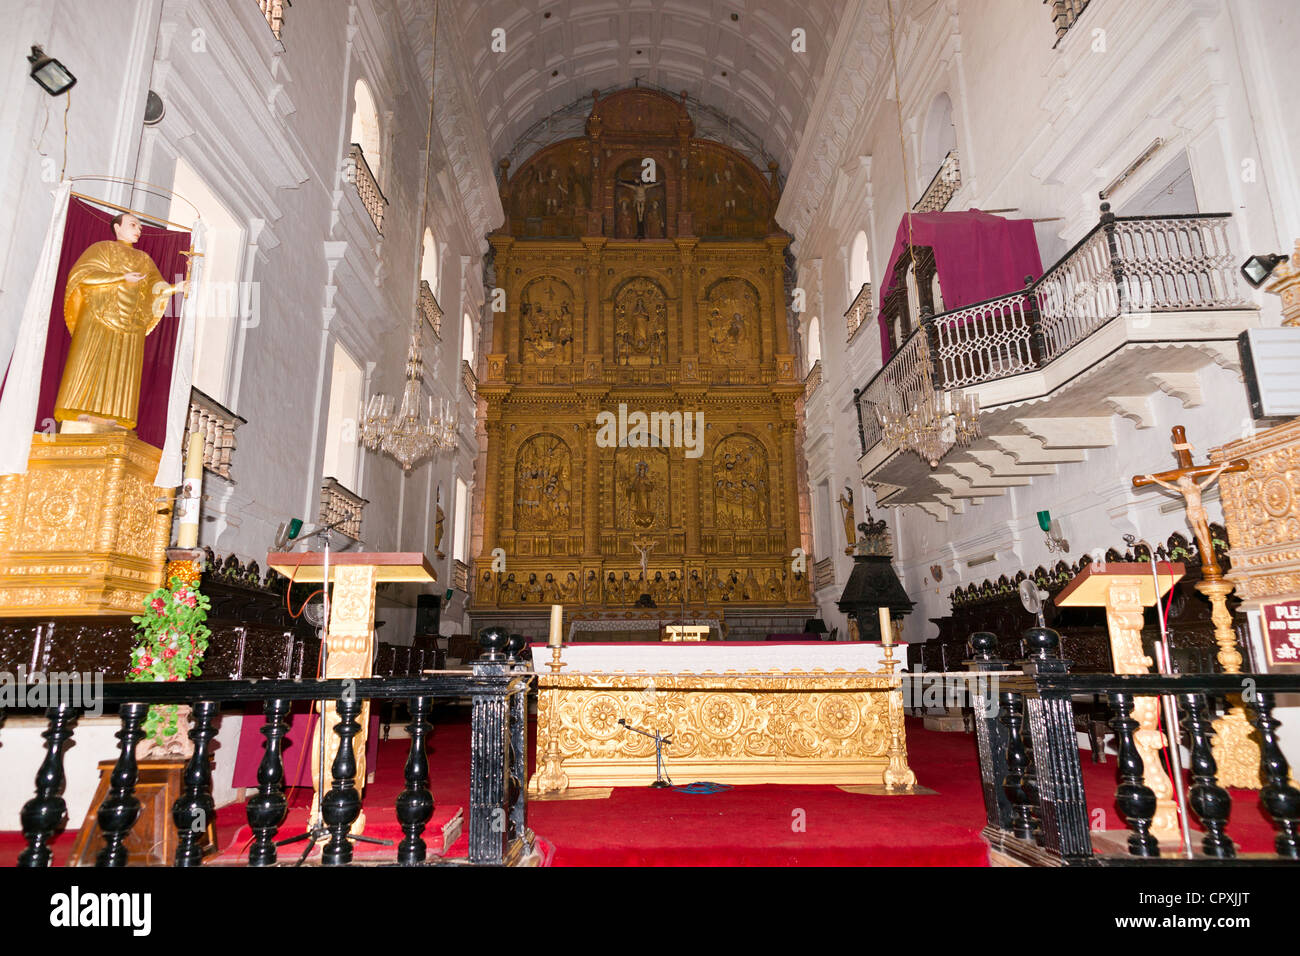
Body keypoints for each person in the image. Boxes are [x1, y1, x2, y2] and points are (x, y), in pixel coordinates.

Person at [56, 212, 188, 430]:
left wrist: (178, 287)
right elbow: (82, 275)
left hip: (130, 324)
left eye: (140, 227)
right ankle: (80, 413)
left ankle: (113, 417)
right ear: (117, 227)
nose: (138, 230)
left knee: (121, 371)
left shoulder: (144, 260)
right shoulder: (102, 248)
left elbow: (157, 288)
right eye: (133, 225)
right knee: (90, 362)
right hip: (98, 317)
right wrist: (120, 277)